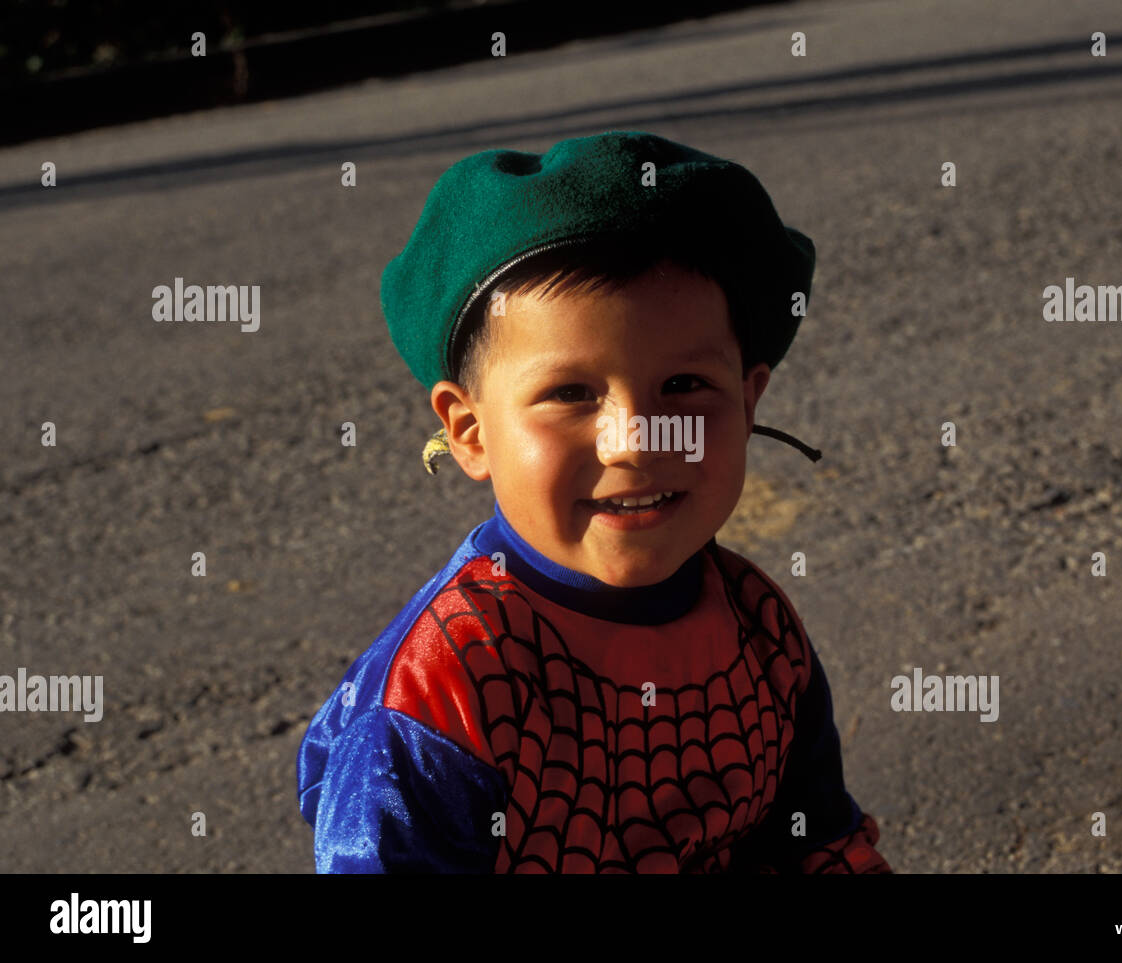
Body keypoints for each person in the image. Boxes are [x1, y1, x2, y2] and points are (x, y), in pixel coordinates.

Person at [296, 130, 891, 873]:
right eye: (571, 394)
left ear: (747, 401)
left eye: (683, 388)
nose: (633, 442)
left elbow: (817, 844)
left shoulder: (759, 629)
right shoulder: (436, 698)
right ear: (470, 432)